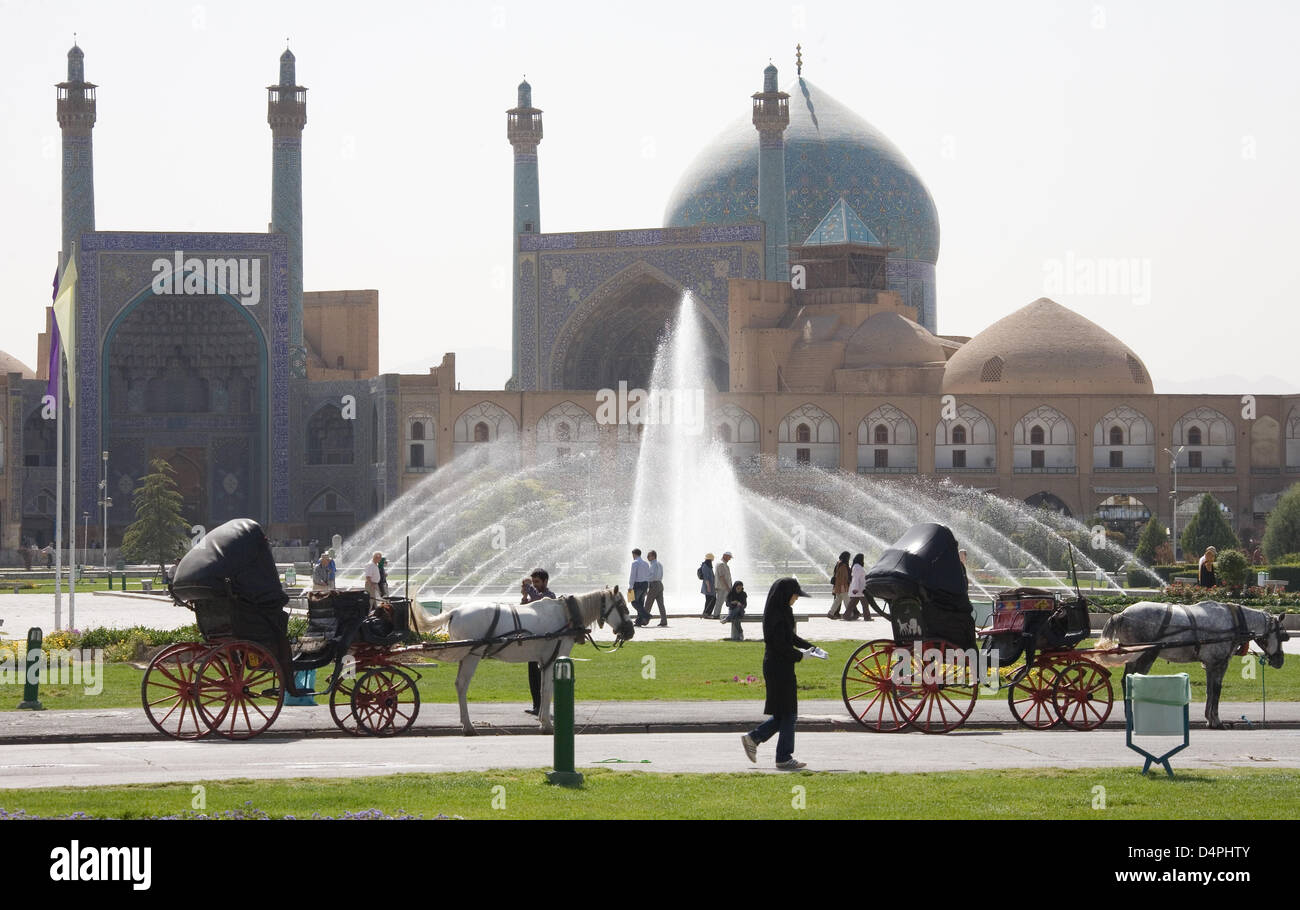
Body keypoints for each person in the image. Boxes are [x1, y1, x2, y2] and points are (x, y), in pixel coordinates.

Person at [741, 578, 817, 770]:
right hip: (777, 667)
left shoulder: (783, 611)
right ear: (786, 594)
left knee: (784, 714)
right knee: (789, 713)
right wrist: (801, 656)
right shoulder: (775, 615)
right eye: (795, 595)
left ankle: (754, 738)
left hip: (783, 665)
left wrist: (812, 648)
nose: (797, 598)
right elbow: (780, 645)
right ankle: (783, 756)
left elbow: (790, 637)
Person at [521, 567, 556, 715]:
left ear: (545, 581)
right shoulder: (534, 595)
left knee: (543, 676)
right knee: (533, 676)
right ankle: (536, 705)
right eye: (533, 582)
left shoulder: (549, 595)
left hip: (546, 643)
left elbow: (538, 600)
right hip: (533, 641)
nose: (534, 584)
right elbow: (523, 609)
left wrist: (528, 586)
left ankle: (543, 706)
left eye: (537, 582)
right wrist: (523, 597)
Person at [628, 548, 652, 626]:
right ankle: (639, 621)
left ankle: (646, 615)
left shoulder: (635, 563)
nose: (632, 556)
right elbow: (648, 576)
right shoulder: (646, 563)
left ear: (634, 554)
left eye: (633, 555)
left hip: (637, 584)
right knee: (640, 603)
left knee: (633, 602)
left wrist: (630, 586)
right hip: (645, 584)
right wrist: (647, 587)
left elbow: (633, 576)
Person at [645, 550, 667, 627]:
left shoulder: (653, 565)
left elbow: (652, 576)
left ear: (653, 556)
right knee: (661, 604)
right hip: (660, 584)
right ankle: (664, 620)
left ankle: (644, 620)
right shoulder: (659, 564)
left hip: (654, 584)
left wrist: (647, 584)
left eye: (649, 556)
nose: (647, 557)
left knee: (648, 603)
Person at [827, 551, 851, 619]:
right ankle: (849, 614)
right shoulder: (843, 565)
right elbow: (844, 577)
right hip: (843, 586)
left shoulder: (838, 563)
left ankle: (831, 613)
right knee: (847, 601)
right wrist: (845, 586)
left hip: (838, 586)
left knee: (837, 600)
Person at [844, 553, 867, 620]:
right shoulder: (857, 567)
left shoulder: (857, 566)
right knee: (864, 604)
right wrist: (855, 588)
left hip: (859, 589)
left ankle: (847, 616)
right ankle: (867, 617)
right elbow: (855, 578)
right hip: (859, 589)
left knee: (853, 604)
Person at [714, 551, 734, 623]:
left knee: (728, 601)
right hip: (722, 587)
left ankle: (731, 614)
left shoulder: (724, 564)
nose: (729, 559)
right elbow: (722, 577)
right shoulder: (721, 564)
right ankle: (716, 615)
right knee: (720, 601)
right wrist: (727, 587)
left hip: (725, 587)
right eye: (729, 557)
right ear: (724, 556)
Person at [699, 553, 717, 618]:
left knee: (710, 599)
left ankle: (706, 613)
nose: (712, 561)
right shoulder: (706, 566)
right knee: (710, 600)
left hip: (710, 586)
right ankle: (706, 613)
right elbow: (706, 578)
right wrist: (709, 587)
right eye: (711, 559)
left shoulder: (708, 565)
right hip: (708, 586)